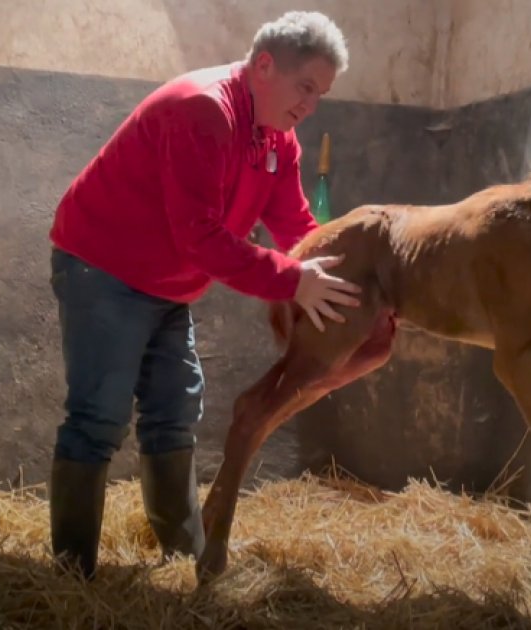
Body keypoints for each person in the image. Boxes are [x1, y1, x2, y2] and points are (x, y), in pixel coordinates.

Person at [46, 10, 359, 579]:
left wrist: (342, 273)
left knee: (175, 409)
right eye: (305, 87)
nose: (311, 105)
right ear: (265, 66)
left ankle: (184, 558)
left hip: (169, 283)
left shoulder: (278, 138)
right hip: (104, 267)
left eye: (321, 94)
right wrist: (294, 281)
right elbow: (201, 238)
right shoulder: (203, 110)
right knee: (100, 415)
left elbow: (295, 226)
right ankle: (72, 576)